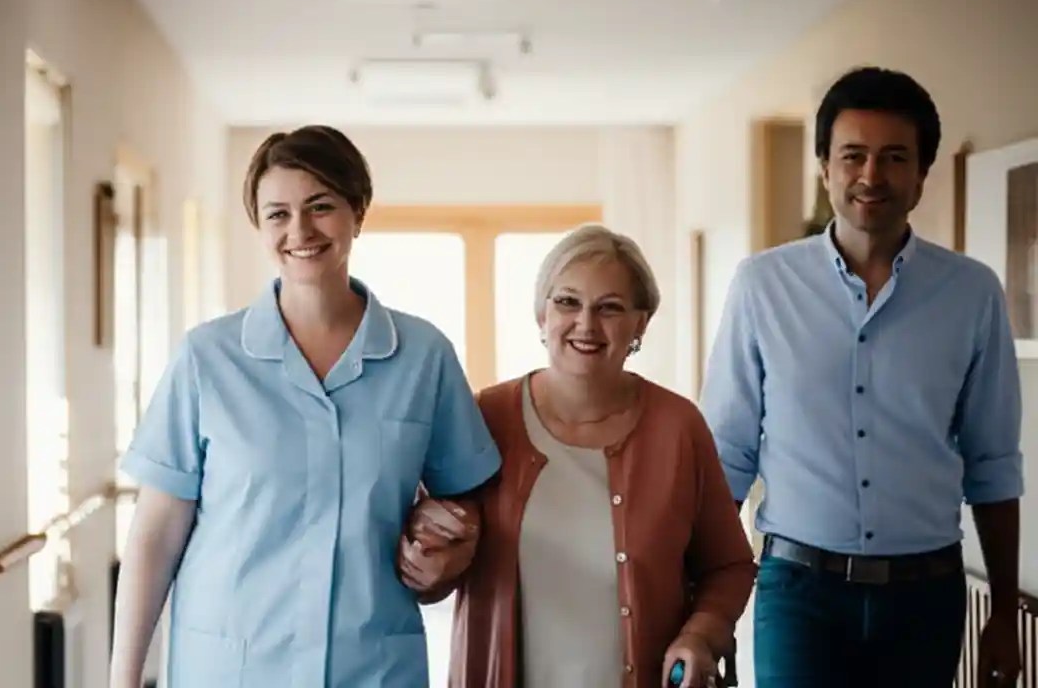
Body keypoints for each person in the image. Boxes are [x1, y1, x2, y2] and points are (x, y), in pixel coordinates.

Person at [109, 125, 502, 688]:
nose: (300, 230)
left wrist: (447, 551)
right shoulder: (207, 358)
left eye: (321, 207)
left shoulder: (423, 357)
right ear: (260, 226)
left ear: (357, 213)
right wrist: (122, 680)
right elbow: (155, 534)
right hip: (231, 665)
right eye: (278, 214)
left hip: (371, 663)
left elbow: (465, 498)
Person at [701, 66, 1024, 687]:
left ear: (922, 175)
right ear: (825, 167)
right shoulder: (762, 286)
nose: (871, 176)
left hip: (925, 595)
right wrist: (702, 607)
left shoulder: (971, 294)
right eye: (853, 156)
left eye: (894, 157)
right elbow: (728, 454)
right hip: (799, 592)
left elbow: (993, 464)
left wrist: (1005, 611)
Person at [400, 224, 756, 688]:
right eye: (567, 302)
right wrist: (427, 560)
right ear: (541, 314)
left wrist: (700, 636)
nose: (586, 324)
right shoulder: (485, 416)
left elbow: (728, 566)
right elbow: (430, 563)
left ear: (640, 323)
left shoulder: (678, 426)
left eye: (610, 307)